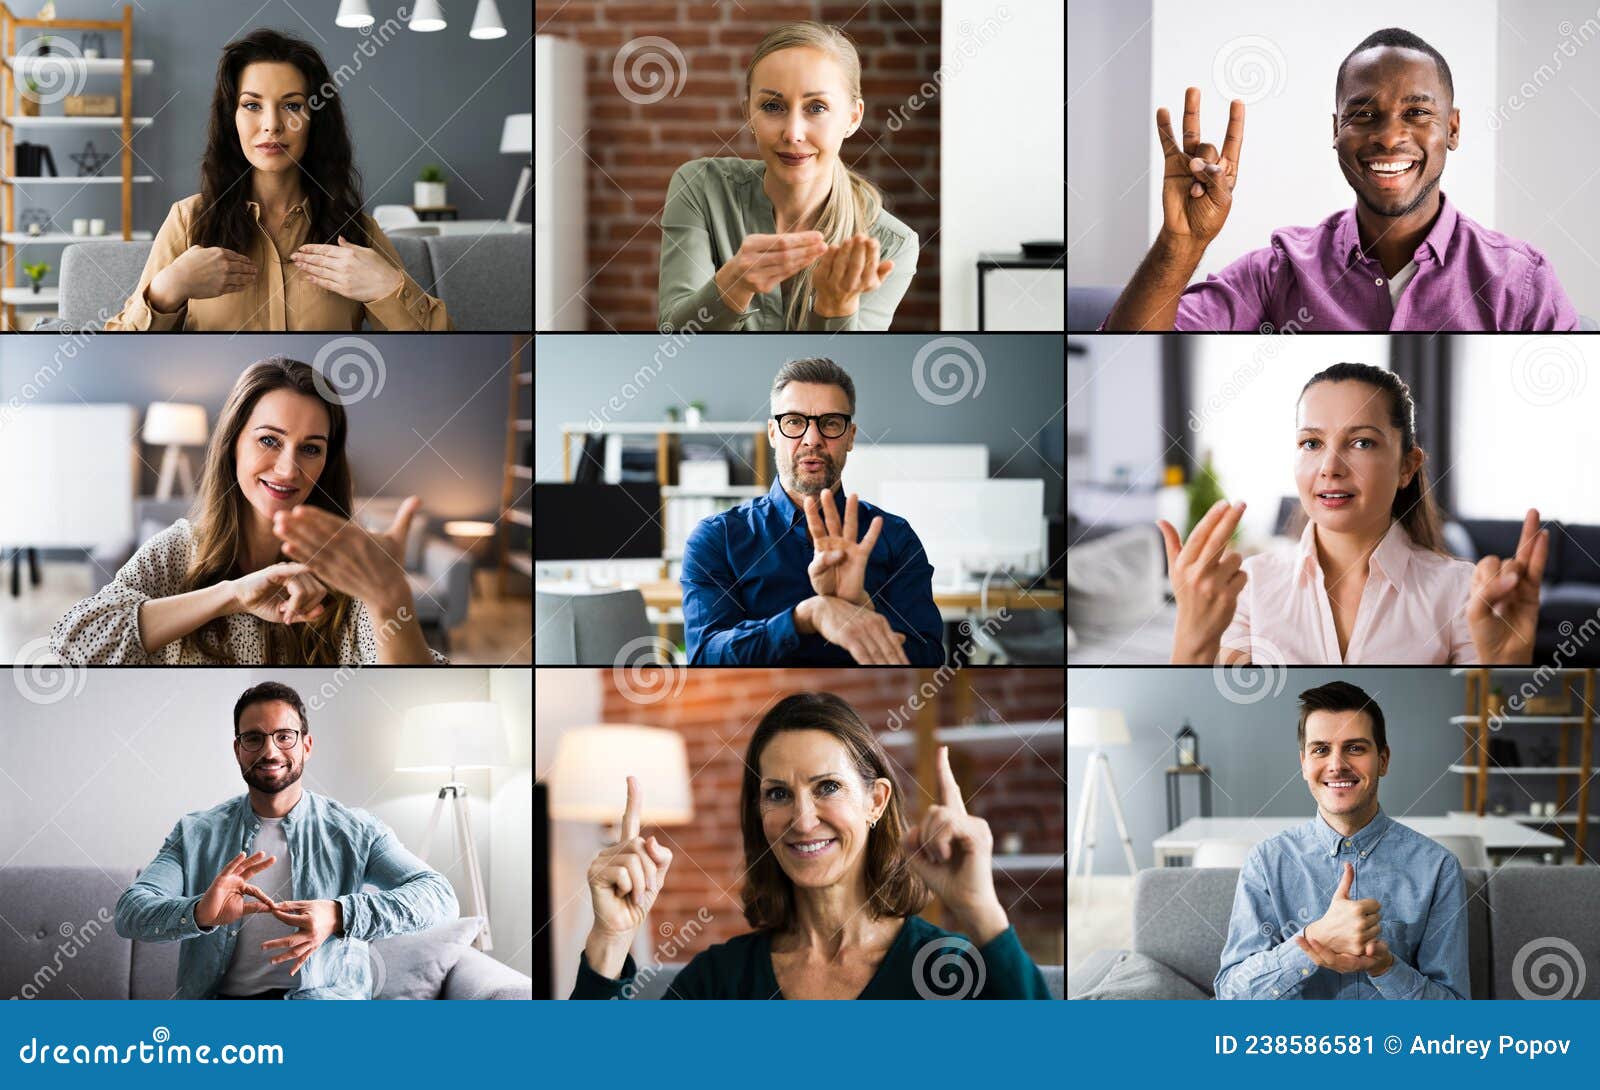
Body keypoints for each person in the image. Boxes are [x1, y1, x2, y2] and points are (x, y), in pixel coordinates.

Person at [571, 692, 1051, 999]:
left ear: (876, 801)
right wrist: (611, 937)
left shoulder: (947, 969)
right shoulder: (722, 979)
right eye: (778, 794)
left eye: (827, 787)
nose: (802, 820)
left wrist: (980, 910)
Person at [1105, 28, 1577, 332]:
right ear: (1336, 131)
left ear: (1452, 129)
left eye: (1416, 112)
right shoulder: (1279, 272)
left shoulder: (1520, 281)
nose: (1389, 136)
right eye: (1364, 114)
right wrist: (1180, 244)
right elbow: (1128, 358)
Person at [51, 357, 447, 664]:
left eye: (311, 448)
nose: (288, 469)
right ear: (233, 444)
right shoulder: (177, 551)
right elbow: (74, 646)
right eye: (269, 441)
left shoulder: (344, 572)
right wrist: (232, 595)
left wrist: (389, 600)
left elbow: (417, 688)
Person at [1158, 363, 1546, 664]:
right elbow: (1215, 717)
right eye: (1311, 443)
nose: (1330, 467)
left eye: (1361, 442)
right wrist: (1191, 639)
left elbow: (1486, 732)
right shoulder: (1250, 587)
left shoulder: (1460, 591)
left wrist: (1508, 667)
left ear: (1407, 466)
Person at [113, 682, 459, 999]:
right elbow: (130, 912)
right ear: (237, 750)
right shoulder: (195, 832)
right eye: (254, 738)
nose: (270, 751)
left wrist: (340, 914)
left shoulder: (356, 829)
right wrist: (200, 912)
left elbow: (440, 897)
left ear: (306, 746)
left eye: (284, 736)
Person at [105, 29, 450, 331]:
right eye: (252, 105)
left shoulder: (357, 230)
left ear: (316, 120)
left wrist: (387, 287)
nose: (272, 125)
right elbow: (117, 348)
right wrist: (168, 288)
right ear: (231, 118)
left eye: (292, 106)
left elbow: (444, 347)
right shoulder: (187, 221)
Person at [680, 357, 944, 665]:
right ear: (772, 433)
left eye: (830, 423)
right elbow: (705, 657)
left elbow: (929, 659)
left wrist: (861, 606)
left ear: (850, 436)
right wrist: (806, 616)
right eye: (794, 421)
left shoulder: (895, 537)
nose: (812, 439)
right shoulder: (717, 538)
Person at [1214, 682, 1469, 999]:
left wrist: (1387, 968)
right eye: (1320, 750)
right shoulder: (1266, 862)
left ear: (1383, 760)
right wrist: (1314, 940)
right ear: (1304, 764)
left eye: (1355, 748)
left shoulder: (1438, 868)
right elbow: (1231, 996)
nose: (1337, 765)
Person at [657, 21, 917, 332]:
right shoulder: (700, 187)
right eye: (772, 106)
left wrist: (836, 308)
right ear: (748, 113)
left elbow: (842, 362)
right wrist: (735, 283)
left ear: (852, 118)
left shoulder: (892, 244)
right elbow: (673, 338)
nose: (793, 133)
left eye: (816, 108)